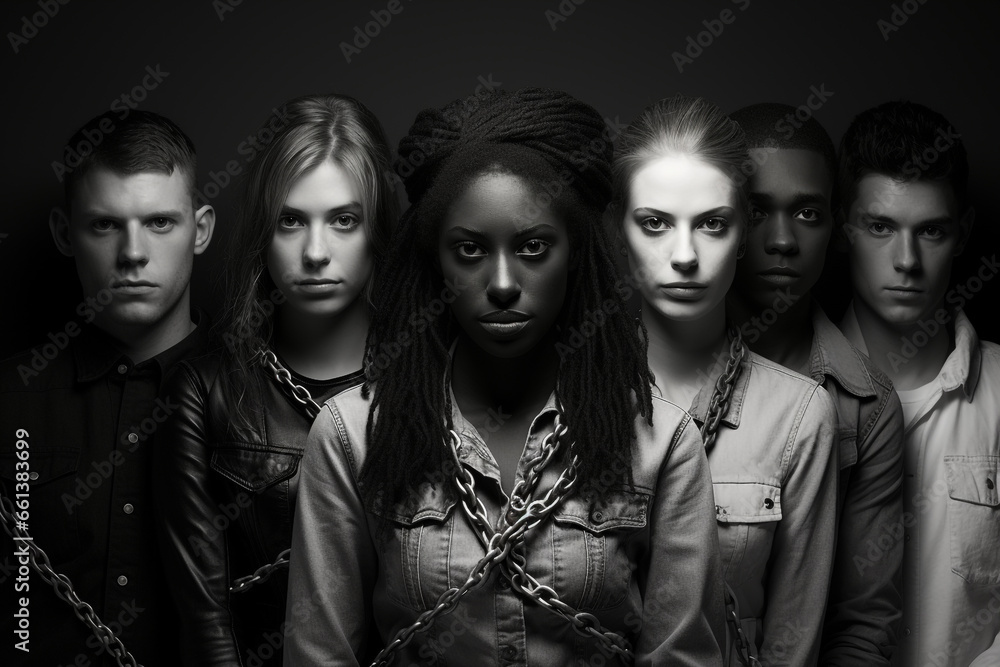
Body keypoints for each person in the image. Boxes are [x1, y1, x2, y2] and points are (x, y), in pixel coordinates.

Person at [283, 87, 726, 666]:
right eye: (468, 250)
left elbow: (683, 658)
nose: (501, 283)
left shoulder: (663, 444)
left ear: (576, 255)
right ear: (433, 259)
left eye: (534, 246)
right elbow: (320, 655)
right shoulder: (352, 437)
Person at [152, 94, 396, 666]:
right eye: (291, 220)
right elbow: (206, 624)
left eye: (343, 220)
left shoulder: (435, 382)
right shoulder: (203, 393)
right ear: (263, 229)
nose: (315, 252)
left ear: (378, 228)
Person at [611, 94, 839, 666]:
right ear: (619, 233)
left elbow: (793, 645)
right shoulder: (558, 396)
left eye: (712, 224)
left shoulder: (800, 415)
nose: (684, 255)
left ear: (743, 235)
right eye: (655, 223)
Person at [0, 109, 215, 666]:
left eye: (161, 222)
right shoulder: (7, 400)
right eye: (104, 225)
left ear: (203, 230)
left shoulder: (258, 397)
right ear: (62, 233)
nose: (133, 253)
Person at [727, 103, 904, 664]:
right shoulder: (637, 371)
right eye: (757, 211)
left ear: (836, 225)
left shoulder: (868, 406)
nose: (782, 240)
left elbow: (863, 623)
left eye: (807, 213)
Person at [837, 100, 1000, 667]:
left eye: (930, 231)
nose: (906, 260)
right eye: (881, 227)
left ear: (963, 235)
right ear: (844, 228)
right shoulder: (791, 393)